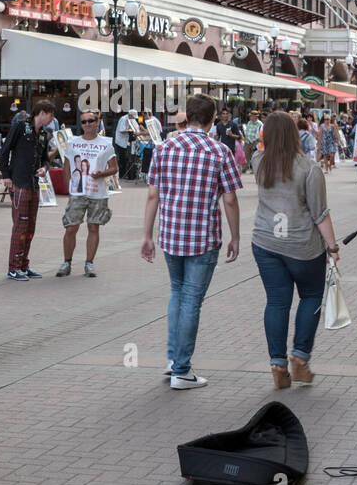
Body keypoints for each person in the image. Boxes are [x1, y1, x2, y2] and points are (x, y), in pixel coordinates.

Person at [141, 94, 242, 390]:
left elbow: (152, 195)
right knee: (191, 301)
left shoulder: (164, 147)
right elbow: (231, 199)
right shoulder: (219, 150)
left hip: (171, 235)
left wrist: (146, 235)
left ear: (187, 117)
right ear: (212, 120)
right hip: (203, 236)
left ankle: (174, 360)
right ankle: (182, 371)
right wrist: (235, 236)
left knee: (177, 293)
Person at [250, 112, 339, 389]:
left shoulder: (257, 162)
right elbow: (320, 213)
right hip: (302, 245)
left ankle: (278, 365)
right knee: (311, 296)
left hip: (265, 241)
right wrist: (333, 247)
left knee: (276, 302)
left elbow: (259, 149)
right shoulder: (309, 169)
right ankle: (300, 359)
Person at [0, 101, 56, 281]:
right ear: (42, 112)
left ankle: (23, 265)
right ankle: (14, 267)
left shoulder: (43, 135)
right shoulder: (21, 127)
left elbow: (46, 159)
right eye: (51, 115)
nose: (52, 119)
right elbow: (5, 150)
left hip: (33, 183)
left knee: (30, 226)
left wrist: (44, 169)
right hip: (19, 182)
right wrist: (6, 175)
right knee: (20, 225)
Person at [57, 110, 116, 278]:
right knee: (71, 228)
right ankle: (66, 262)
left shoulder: (106, 143)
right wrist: (69, 186)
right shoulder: (73, 142)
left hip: (98, 192)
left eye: (91, 121)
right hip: (78, 191)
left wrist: (102, 174)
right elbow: (67, 166)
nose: (88, 124)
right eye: (84, 122)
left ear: (97, 122)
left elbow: (114, 167)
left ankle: (89, 263)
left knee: (93, 226)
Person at [114, 108, 137, 180]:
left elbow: (136, 127)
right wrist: (131, 130)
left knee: (127, 157)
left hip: (126, 141)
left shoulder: (131, 119)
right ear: (130, 115)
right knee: (122, 158)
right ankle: (122, 175)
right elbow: (122, 130)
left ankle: (127, 174)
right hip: (120, 141)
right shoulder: (123, 119)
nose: (134, 118)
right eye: (133, 117)